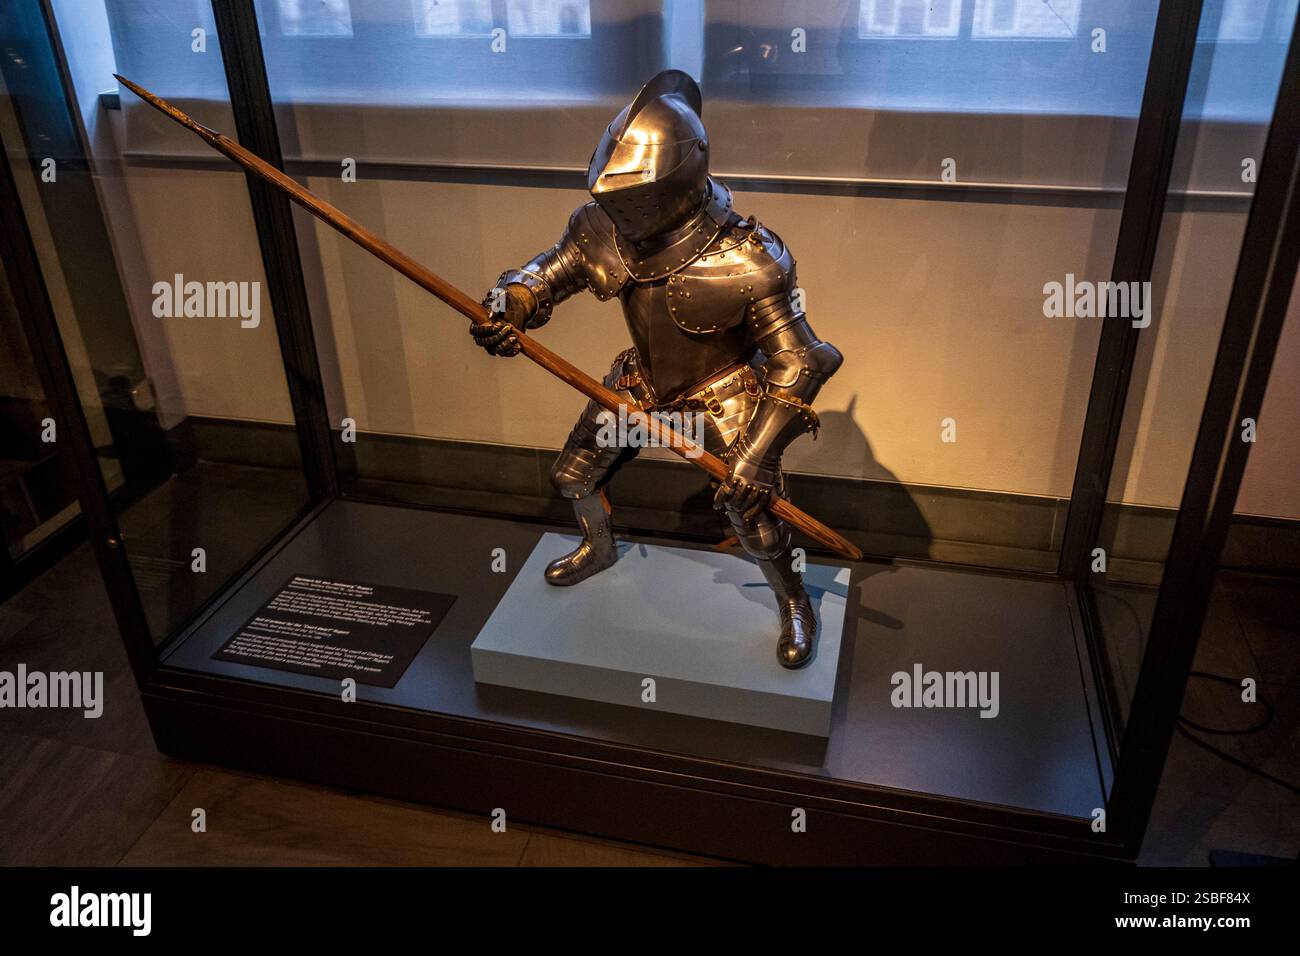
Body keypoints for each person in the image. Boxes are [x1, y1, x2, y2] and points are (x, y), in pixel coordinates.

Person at [470, 71, 841, 668]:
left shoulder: (751, 257)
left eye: (631, 202)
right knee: (572, 475)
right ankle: (599, 547)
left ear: (674, 187)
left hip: (724, 392)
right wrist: (506, 304)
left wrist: (757, 457)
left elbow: (802, 360)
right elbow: (545, 274)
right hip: (639, 383)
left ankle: (794, 600)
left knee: (751, 514)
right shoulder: (602, 228)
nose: (617, 213)